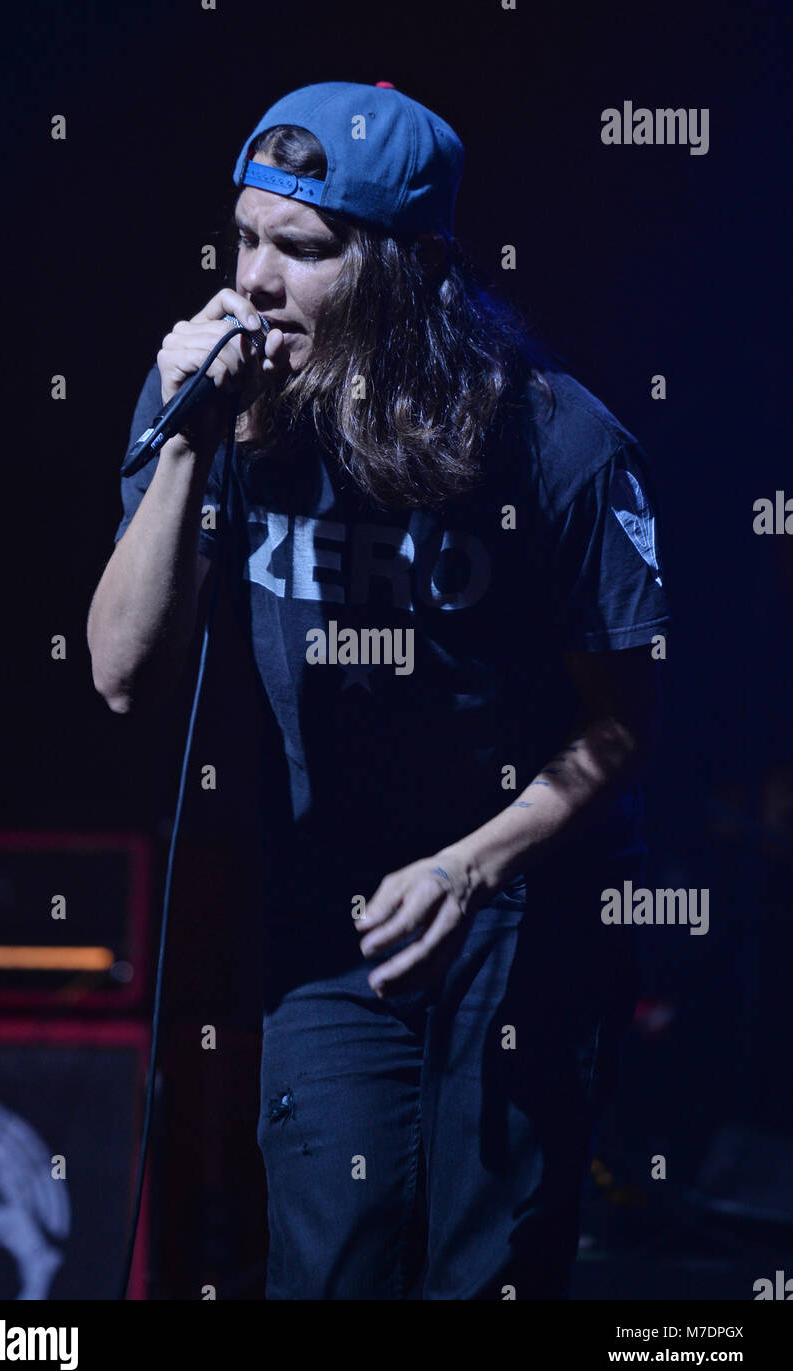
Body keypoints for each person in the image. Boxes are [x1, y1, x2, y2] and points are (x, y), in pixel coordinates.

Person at [87, 81, 670, 1300]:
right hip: (332, 925)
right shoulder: (208, 404)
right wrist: (188, 439)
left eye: (299, 250)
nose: (253, 279)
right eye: (243, 237)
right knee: (327, 1266)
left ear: (402, 267)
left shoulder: (553, 442)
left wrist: (469, 865)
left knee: (485, 1274)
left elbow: (624, 720)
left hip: (524, 912)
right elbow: (121, 674)